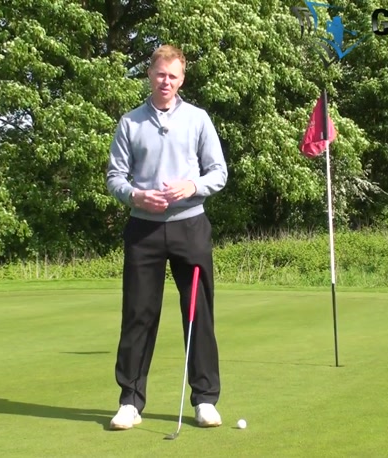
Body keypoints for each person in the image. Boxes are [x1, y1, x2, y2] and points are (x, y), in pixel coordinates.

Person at [105, 44, 228, 431]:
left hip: (190, 227)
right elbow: (114, 177)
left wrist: (192, 186)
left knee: (198, 313)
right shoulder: (130, 122)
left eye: (173, 76)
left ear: (182, 79)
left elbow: (218, 172)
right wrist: (136, 195)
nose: (166, 81)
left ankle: (205, 399)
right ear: (150, 74)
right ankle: (130, 401)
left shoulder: (198, 119)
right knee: (138, 314)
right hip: (143, 229)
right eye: (160, 74)